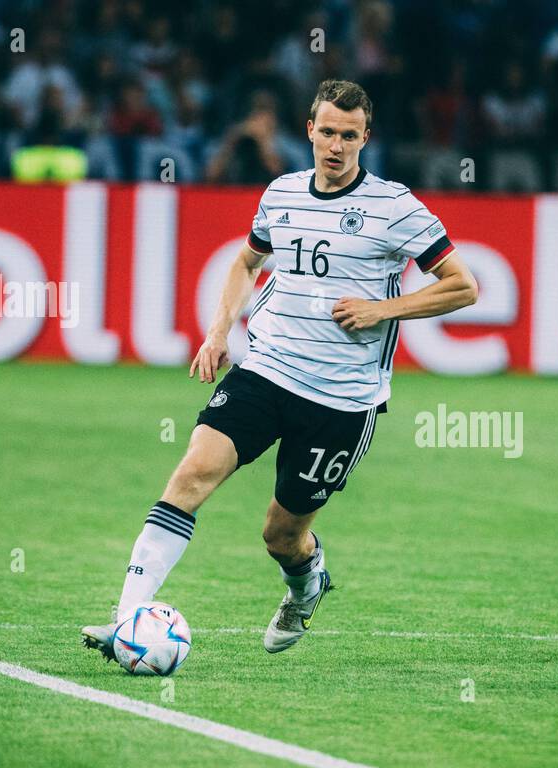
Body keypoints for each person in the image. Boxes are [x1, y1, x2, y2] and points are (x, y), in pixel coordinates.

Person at [80, 79, 478, 657]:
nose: (336, 146)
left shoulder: (395, 208)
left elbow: (462, 286)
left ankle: (306, 580)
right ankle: (125, 621)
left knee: (281, 534)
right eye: (327, 132)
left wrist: (383, 309)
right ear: (309, 130)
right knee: (191, 475)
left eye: (349, 135)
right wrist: (218, 331)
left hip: (342, 398)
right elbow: (246, 262)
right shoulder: (282, 193)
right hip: (266, 368)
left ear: (366, 138)